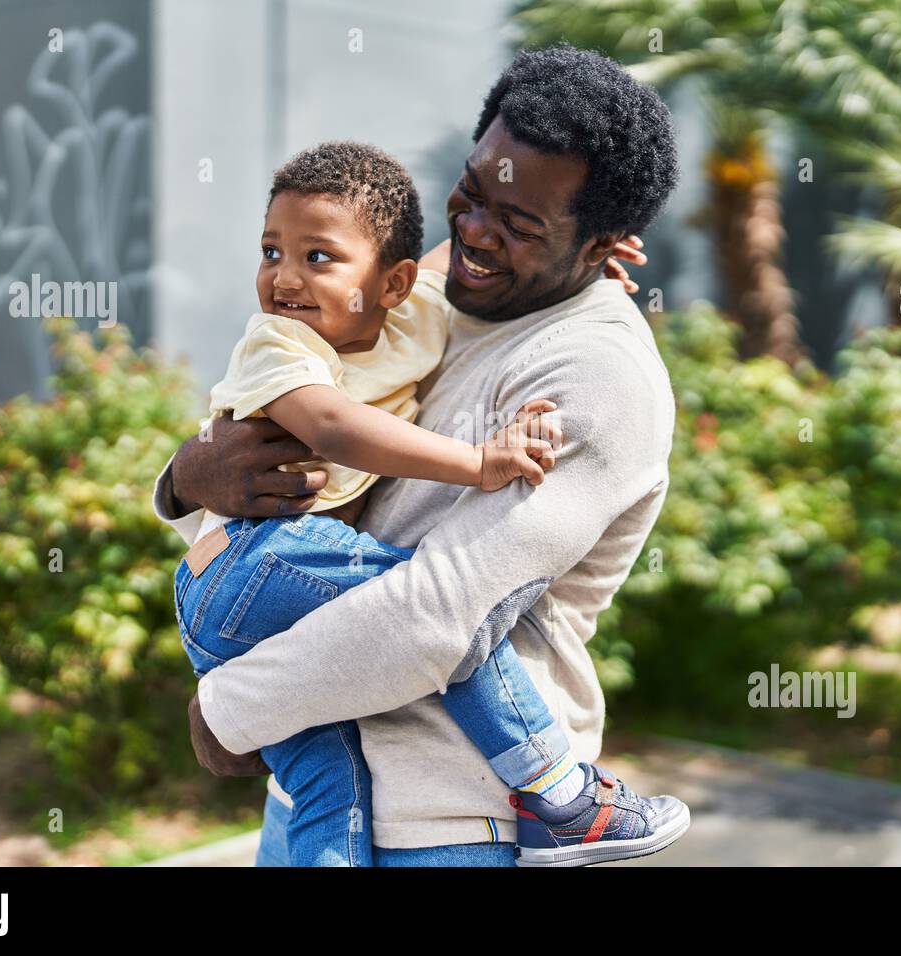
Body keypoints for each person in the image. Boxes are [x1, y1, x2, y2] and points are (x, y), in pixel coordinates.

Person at [156, 44, 682, 866]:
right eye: (472, 195)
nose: (474, 232)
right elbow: (310, 398)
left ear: (601, 245)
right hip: (311, 798)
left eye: (518, 224)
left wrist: (226, 708)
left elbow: (439, 617)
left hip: (452, 826)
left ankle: (564, 797)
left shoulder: (596, 370)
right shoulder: (437, 294)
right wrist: (188, 476)